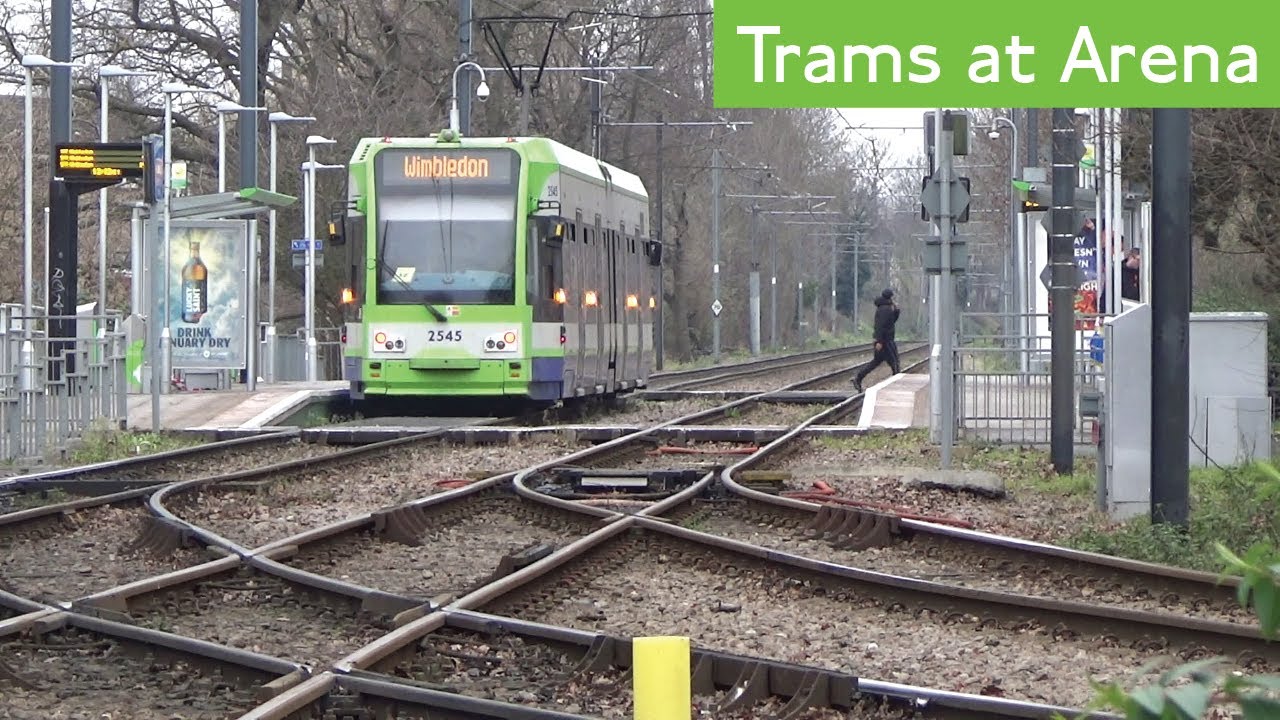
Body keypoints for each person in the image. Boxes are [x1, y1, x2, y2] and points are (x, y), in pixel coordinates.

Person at [853, 288, 900, 392]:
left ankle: (858, 378)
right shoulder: (885, 309)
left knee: (881, 362)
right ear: (890, 297)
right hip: (885, 341)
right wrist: (879, 341)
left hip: (887, 340)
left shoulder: (887, 308)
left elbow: (892, 321)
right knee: (894, 363)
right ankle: (897, 385)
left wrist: (896, 311)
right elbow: (880, 326)